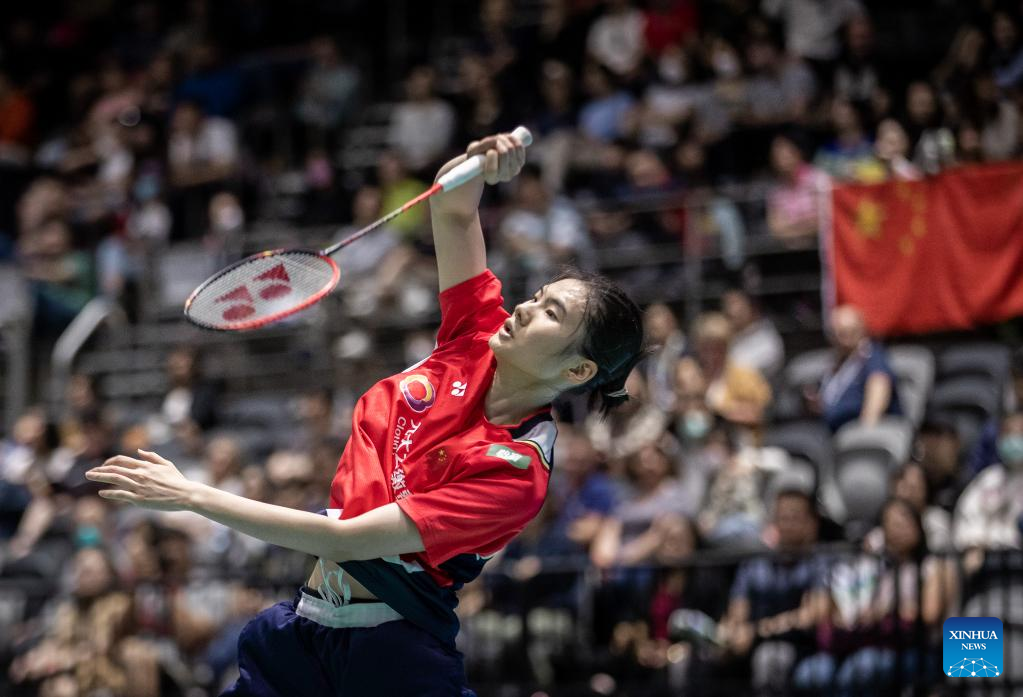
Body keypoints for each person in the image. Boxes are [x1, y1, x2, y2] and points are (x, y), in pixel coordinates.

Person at [84, 131, 647, 697]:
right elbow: (451, 210)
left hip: (390, 661)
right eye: (540, 293)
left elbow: (348, 540)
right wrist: (477, 166)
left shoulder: (515, 470)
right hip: (305, 635)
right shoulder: (474, 335)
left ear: (577, 371)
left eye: (550, 312)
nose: (525, 307)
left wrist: (192, 497)